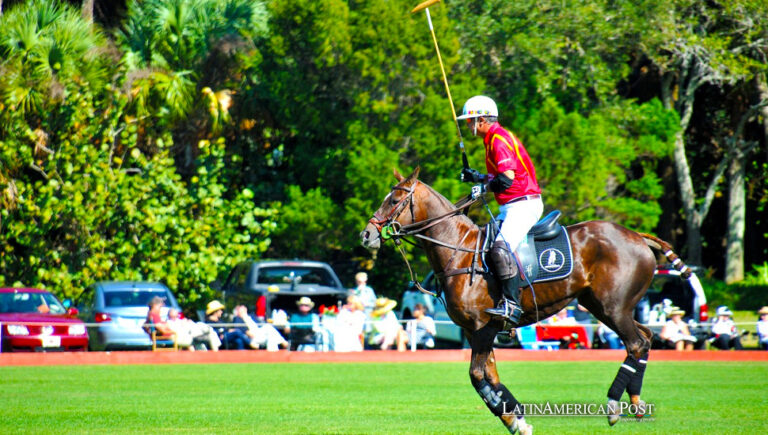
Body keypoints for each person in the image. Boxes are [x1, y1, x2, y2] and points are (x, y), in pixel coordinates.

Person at [457, 95, 543, 325]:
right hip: (511, 205)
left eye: (469, 121)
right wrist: (478, 178)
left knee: (500, 249)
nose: (468, 125)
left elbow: (507, 179)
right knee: (483, 246)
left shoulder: (498, 140)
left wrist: (482, 188)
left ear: (481, 120)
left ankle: (512, 306)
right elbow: (498, 176)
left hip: (523, 204)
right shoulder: (492, 140)